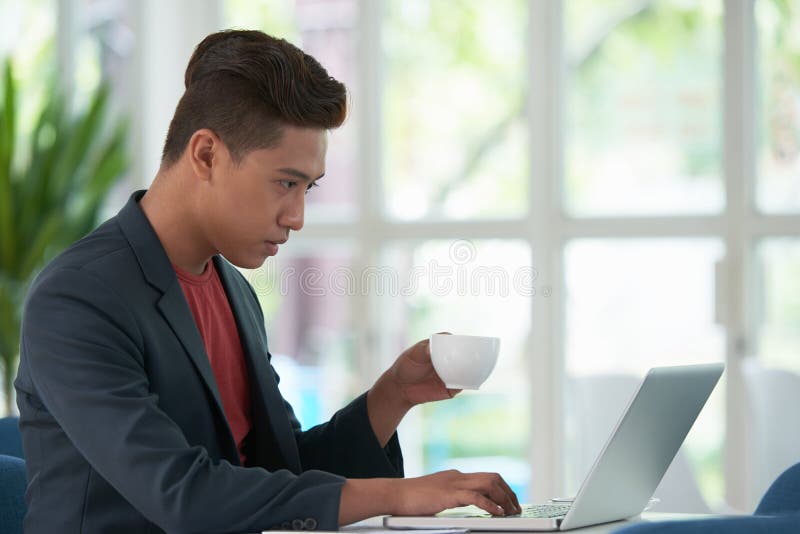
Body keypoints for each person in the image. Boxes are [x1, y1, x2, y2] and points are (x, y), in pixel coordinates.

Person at [14, 29, 520, 533]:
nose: (297, 216)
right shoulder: (79, 298)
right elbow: (183, 494)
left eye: (307, 188)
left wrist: (392, 396)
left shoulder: (234, 291)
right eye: (286, 183)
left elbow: (282, 476)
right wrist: (403, 495)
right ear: (206, 154)